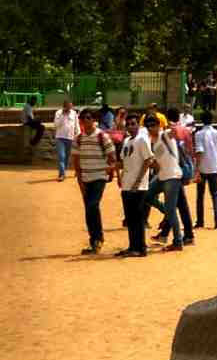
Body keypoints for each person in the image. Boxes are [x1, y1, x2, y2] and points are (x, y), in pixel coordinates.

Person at [71, 109, 116, 254]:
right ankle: (94, 241)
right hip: (85, 178)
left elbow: (112, 156)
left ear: (94, 119)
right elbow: (76, 163)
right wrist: (80, 181)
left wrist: (110, 171)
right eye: (82, 118)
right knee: (89, 210)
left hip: (99, 177)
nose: (85, 120)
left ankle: (98, 238)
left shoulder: (102, 136)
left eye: (88, 117)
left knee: (92, 206)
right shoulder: (78, 139)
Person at [150, 108, 195, 245]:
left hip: (174, 172)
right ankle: (180, 234)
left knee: (178, 205)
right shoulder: (183, 129)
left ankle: (182, 236)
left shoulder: (169, 132)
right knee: (179, 204)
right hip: (176, 171)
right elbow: (189, 149)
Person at [143, 115, 185, 252]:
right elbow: (157, 163)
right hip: (161, 176)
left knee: (171, 209)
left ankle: (178, 241)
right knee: (147, 196)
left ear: (159, 125)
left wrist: (174, 126)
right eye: (148, 125)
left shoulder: (165, 135)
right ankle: (167, 213)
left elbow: (177, 132)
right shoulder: (151, 141)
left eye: (153, 125)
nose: (150, 128)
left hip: (172, 176)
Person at [116, 113, 154, 257]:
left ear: (138, 125)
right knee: (130, 218)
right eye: (129, 124)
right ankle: (133, 246)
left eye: (133, 123)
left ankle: (140, 248)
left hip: (138, 186)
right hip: (126, 184)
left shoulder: (142, 139)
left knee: (138, 218)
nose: (131, 126)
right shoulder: (126, 141)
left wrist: (138, 180)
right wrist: (119, 176)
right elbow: (123, 161)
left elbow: (148, 160)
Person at [193, 114, 217, 229]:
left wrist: (196, 169)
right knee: (215, 194)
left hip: (203, 168)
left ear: (201, 121)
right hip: (215, 167)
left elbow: (199, 152)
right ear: (212, 120)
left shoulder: (198, 134)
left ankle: (200, 221)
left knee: (200, 196)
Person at [51, 99, 80, 181]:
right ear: (64, 106)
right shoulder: (58, 113)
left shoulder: (74, 113)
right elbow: (56, 125)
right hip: (60, 137)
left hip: (70, 138)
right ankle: (62, 174)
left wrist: (78, 135)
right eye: (68, 106)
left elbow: (76, 125)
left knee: (66, 157)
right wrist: (63, 115)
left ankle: (63, 171)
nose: (69, 108)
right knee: (61, 156)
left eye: (71, 106)